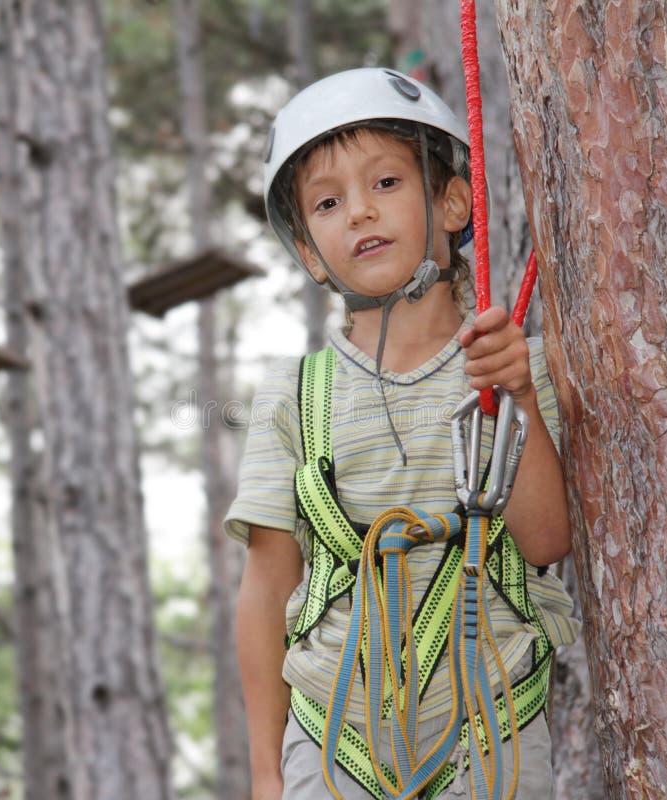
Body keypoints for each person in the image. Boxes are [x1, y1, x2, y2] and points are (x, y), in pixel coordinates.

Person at [225, 68, 580, 800]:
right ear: (311, 254)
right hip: (334, 739)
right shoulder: (294, 396)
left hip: (491, 725)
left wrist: (515, 393)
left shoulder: (514, 363)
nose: (359, 212)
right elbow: (266, 589)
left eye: (386, 183)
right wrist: (265, 772)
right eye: (328, 202)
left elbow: (545, 543)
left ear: (453, 201)